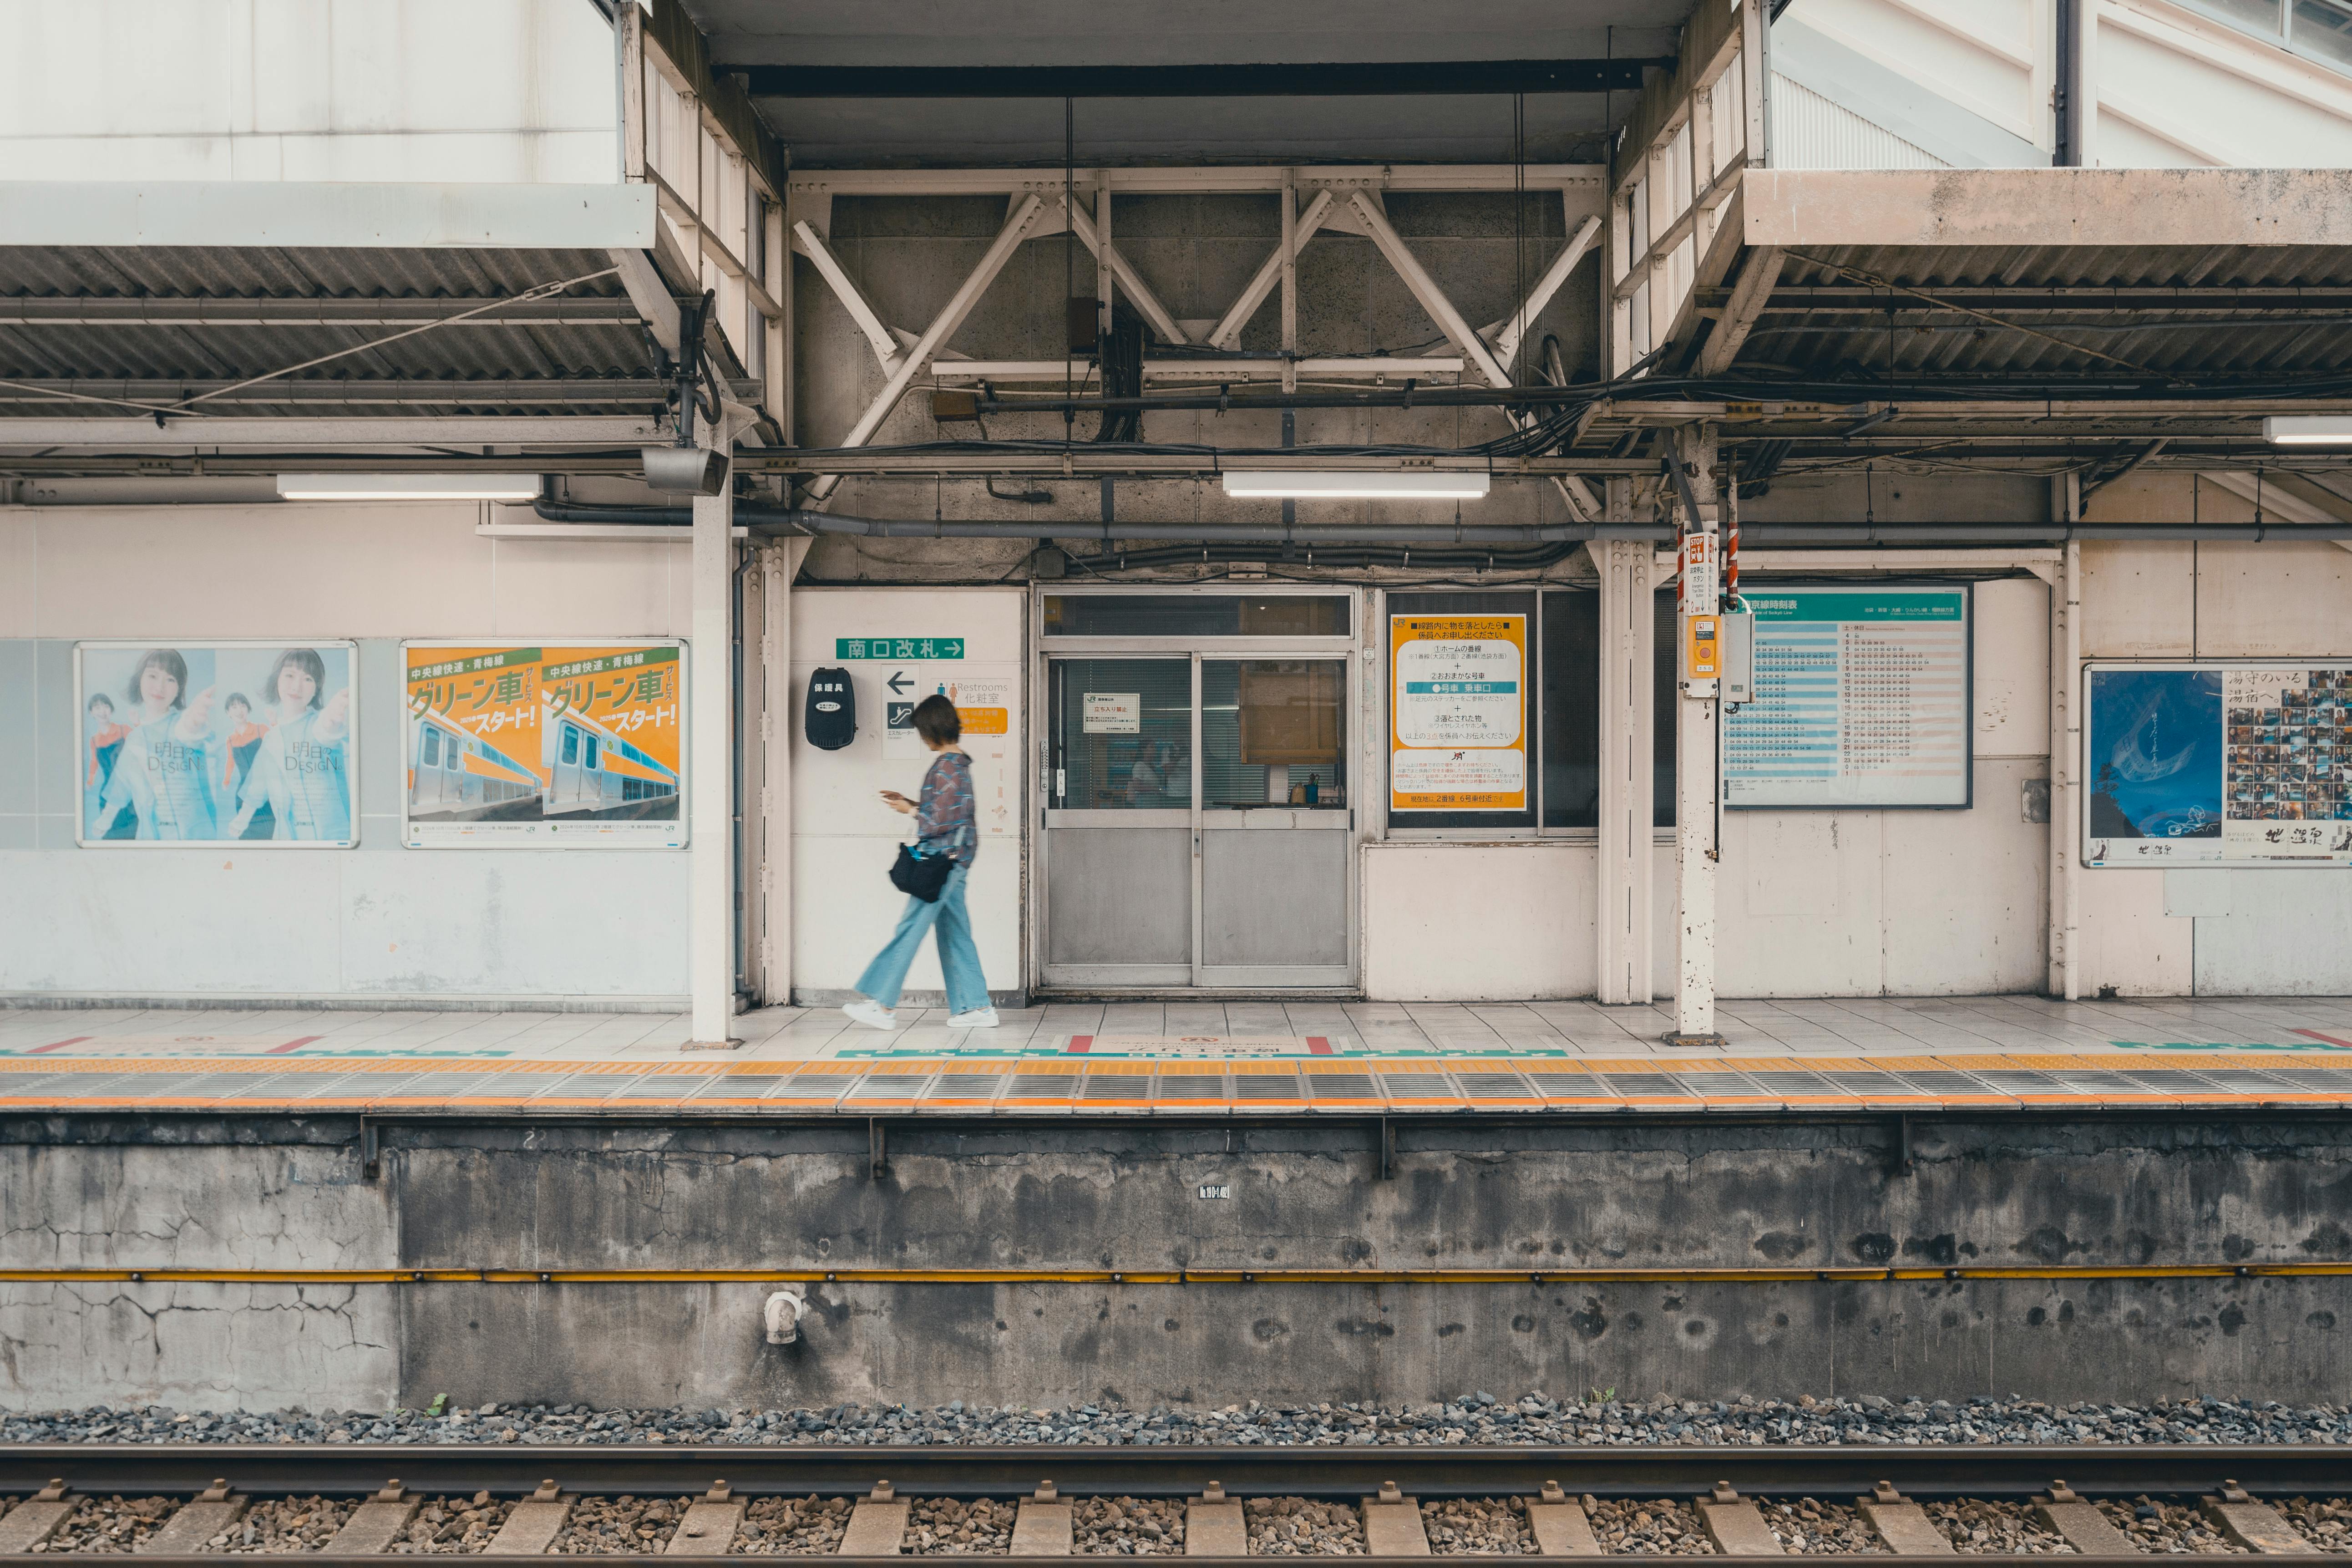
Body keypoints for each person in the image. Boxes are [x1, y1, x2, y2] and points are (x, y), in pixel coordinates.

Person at [842, 693, 997, 1030]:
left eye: (922, 731)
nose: (921, 738)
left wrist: (909, 810)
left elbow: (937, 821)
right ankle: (977, 1007)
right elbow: (948, 812)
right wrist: (911, 801)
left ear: (933, 729)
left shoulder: (947, 767)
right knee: (955, 933)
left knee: (910, 930)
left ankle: (882, 1006)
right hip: (955, 861)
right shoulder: (959, 763)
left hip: (940, 863)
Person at [90, 648, 223, 841]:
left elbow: (192, 735)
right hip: (151, 835)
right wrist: (107, 818)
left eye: (171, 680)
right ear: (139, 680)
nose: (160, 686)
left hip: (194, 833)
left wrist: (193, 724)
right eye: (153, 675)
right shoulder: (135, 738)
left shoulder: (181, 722)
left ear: (179, 689)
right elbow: (122, 783)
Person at [226, 648, 352, 842]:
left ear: (317, 688)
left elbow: (327, 733)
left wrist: (332, 721)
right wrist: (243, 819)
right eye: (290, 675)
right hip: (289, 836)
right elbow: (258, 784)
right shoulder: (271, 738)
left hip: (334, 834)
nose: (297, 686)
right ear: (277, 679)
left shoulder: (319, 723)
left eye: (308, 679)